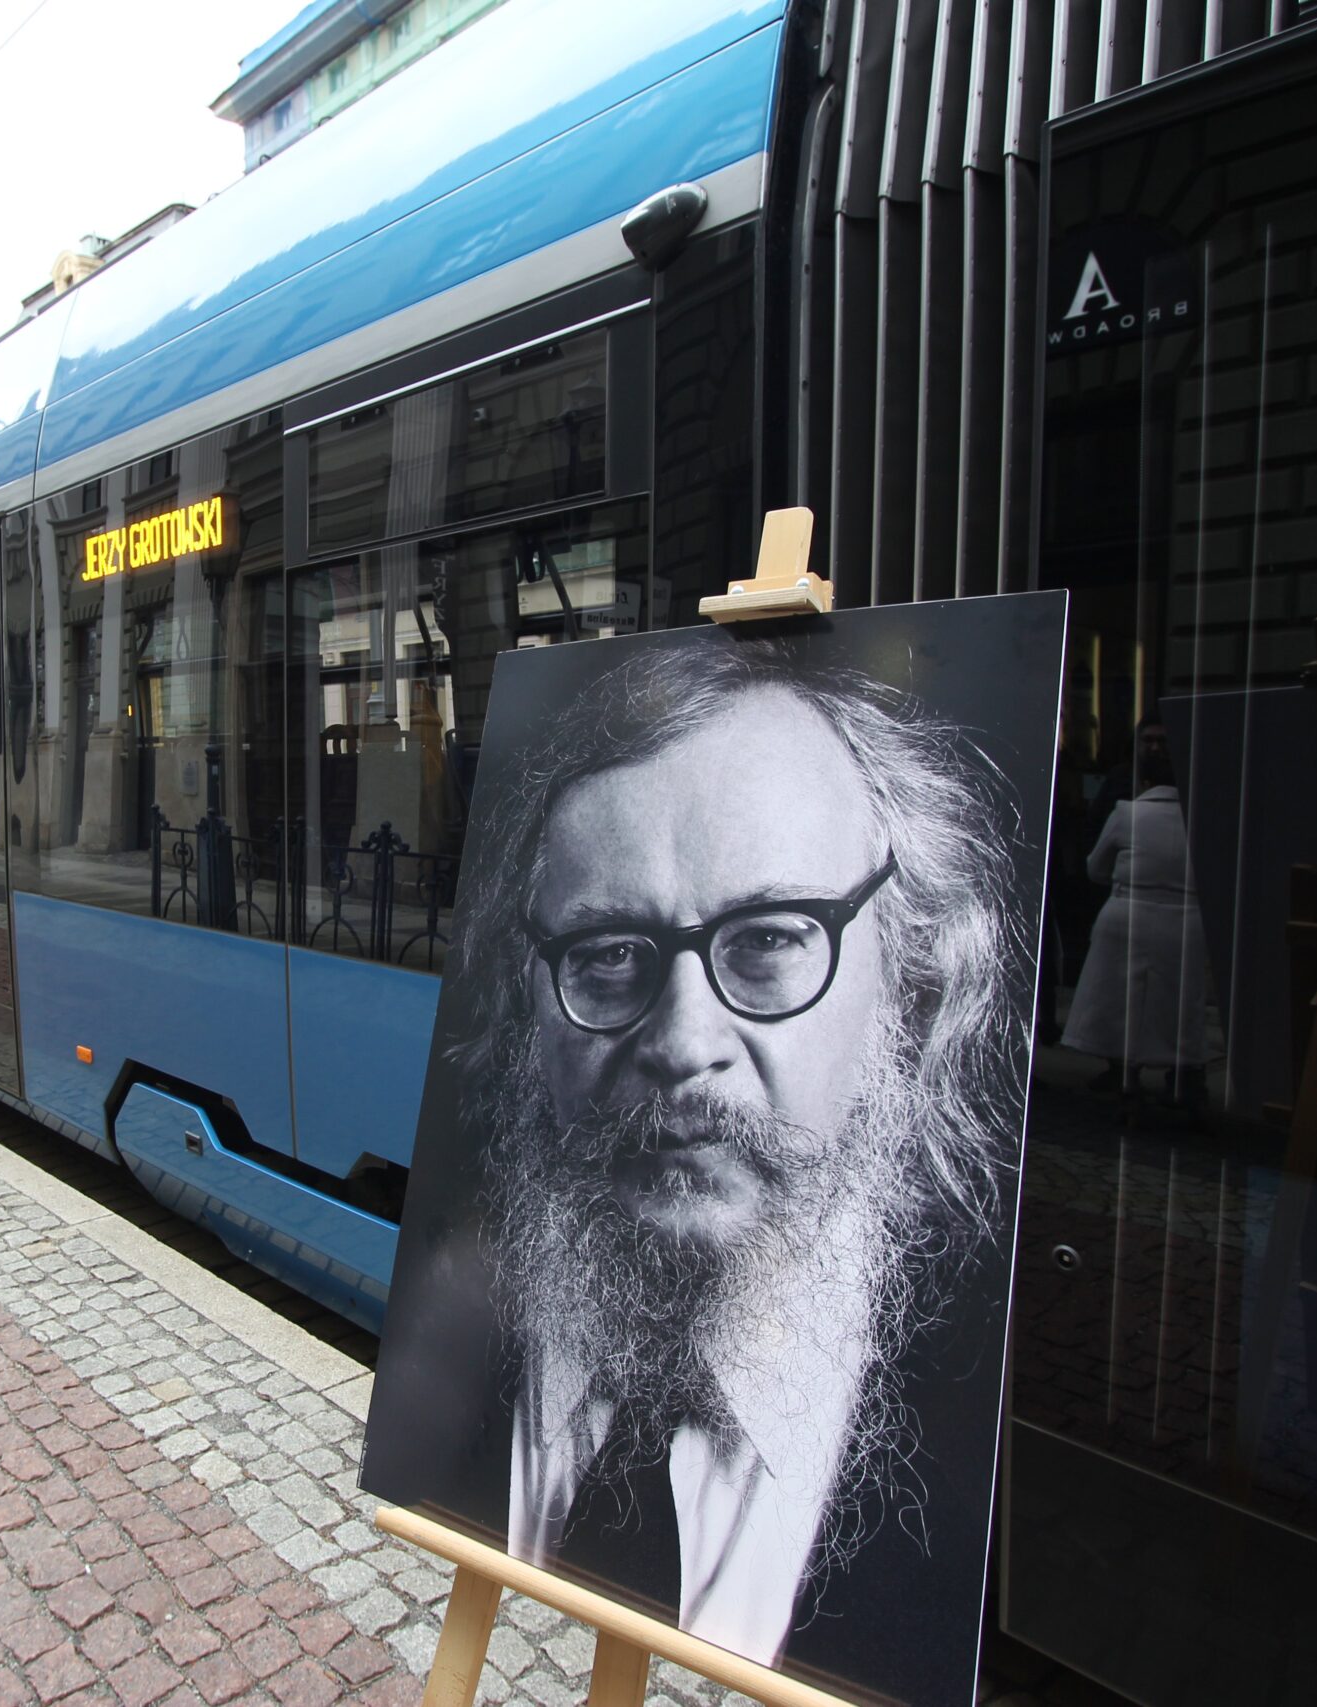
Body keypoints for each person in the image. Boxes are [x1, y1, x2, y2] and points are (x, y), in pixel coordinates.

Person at [378, 635, 1034, 1676]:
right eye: (605, 957)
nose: (683, 1045)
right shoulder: (452, 1328)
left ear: (909, 984)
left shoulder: (988, 1420)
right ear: (523, 1004)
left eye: (771, 940)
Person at [1060, 723, 1211, 1103]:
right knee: (1179, 1003)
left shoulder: (1127, 813)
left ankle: (1125, 1071)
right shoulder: (1201, 819)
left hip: (1129, 914)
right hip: (1185, 919)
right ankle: (1184, 1074)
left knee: (1123, 999)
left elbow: (1096, 866)